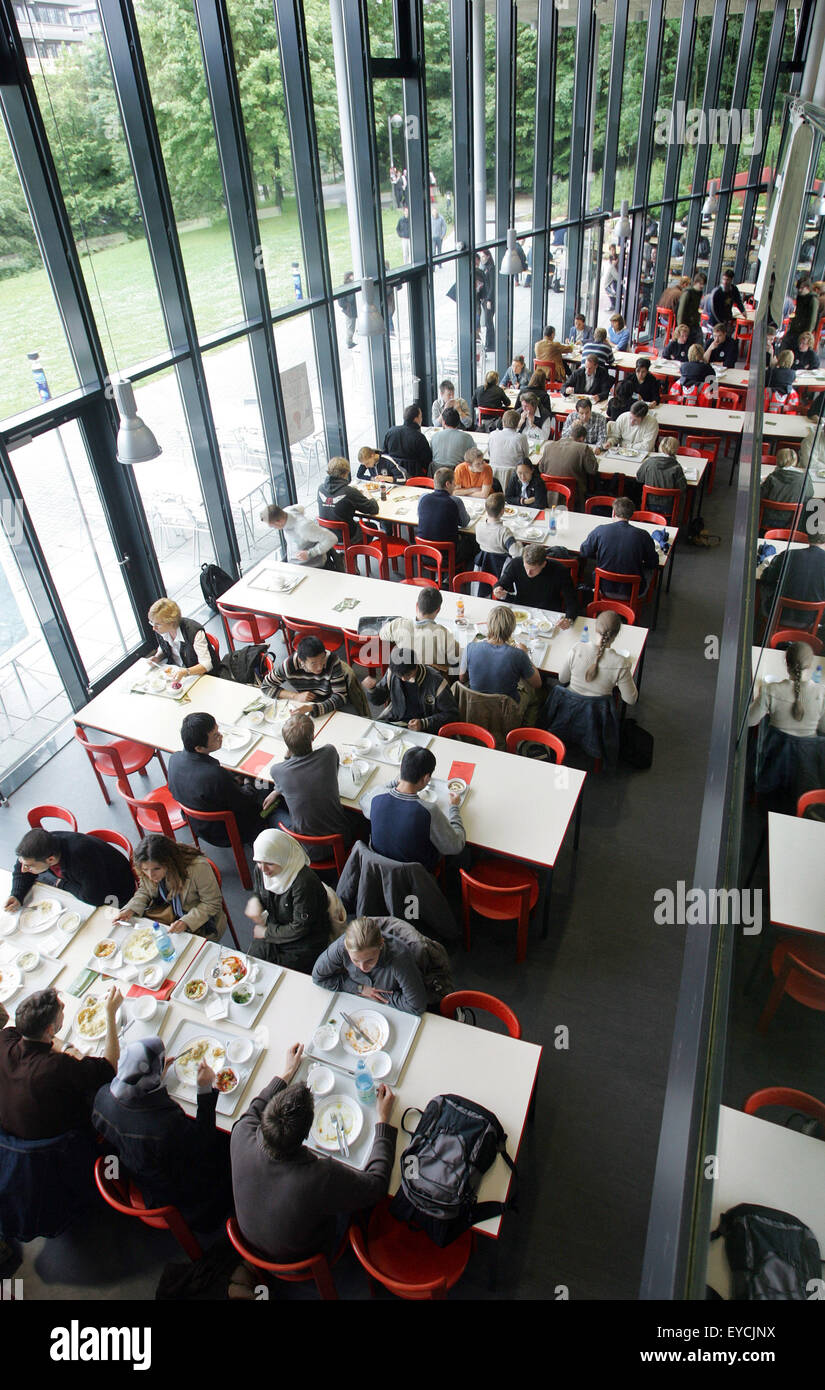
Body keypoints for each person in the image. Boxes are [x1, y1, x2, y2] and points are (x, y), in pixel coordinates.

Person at [230, 1041, 396, 1264]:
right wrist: (383, 1121)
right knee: (359, 1205)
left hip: (250, 1242)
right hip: (301, 1256)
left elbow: (256, 1106)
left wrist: (287, 1072)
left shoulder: (240, 1131)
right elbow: (376, 1186)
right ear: (307, 1132)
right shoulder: (320, 1176)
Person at [92, 1037, 231, 1231]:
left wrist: (154, 1078)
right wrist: (205, 1089)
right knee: (228, 1139)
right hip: (178, 1191)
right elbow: (203, 1142)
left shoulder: (102, 1096)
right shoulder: (164, 1124)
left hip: (137, 1169)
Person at [0, 985, 121, 1140]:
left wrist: (66, 1047)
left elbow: (37, 1036)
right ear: (50, 1029)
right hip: (60, 1140)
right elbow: (110, 1068)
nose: (63, 1007)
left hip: (16, 1129)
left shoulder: (5, 1038)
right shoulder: (56, 1066)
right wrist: (110, 1013)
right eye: (61, 1009)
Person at [168, 711, 274, 847]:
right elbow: (245, 801)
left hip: (195, 822)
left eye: (218, 731)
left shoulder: (174, 758)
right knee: (266, 785)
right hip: (224, 831)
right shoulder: (215, 775)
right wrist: (248, 782)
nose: (221, 736)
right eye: (215, 736)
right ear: (199, 748)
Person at [359, 746, 466, 870]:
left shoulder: (376, 797)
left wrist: (394, 783)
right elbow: (455, 845)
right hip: (413, 876)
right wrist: (454, 808)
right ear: (426, 778)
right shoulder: (429, 811)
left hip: (376, 869)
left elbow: (362, 800)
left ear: (401, 768)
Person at [267, 714, 351, 860]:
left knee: (273, 815)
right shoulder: (329, 753)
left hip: (308, 848)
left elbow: (283, 783)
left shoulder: (277, 770)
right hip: (341, 839)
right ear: (313, 737)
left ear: (286, 744)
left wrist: (276, 791)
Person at [245, 830, 331, 971]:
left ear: (282, 857)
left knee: (274, 972)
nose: (263, 869)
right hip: (276, 927)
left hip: (305, 940)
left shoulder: (303, 883)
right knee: (251, 963)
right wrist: (255, 901)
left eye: (269, 863)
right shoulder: (260, 869)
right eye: (259, 862)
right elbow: (259, 892)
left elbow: (300, 927)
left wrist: (267, 932)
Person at [114, 834, 226, 940]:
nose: (151, 875)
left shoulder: (198, 867)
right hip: (168, 915)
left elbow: (212, 903)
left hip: (200, 921)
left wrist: (186, 922)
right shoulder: (146, 865)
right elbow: (145, 890)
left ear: (169, 862)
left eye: (156, 869)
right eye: (145, 870)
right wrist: (130, 908)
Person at [5, 826, 136, 915]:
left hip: (117, 895)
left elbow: (95, 898)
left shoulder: (81, 857)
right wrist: (17, 894)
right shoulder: (44, 846)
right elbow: (20, 867)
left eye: (29, 866)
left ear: (50, 860)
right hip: (84, 883)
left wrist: (61, 884)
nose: (24, 869)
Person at [312, 916, 427, 1015]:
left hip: (391, 1009)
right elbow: (318, 977)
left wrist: (379, 995)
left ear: (381, 944)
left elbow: (417, 1006)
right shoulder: (341, 947)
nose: (363, 967)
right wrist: (359, 988)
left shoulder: (399, 957)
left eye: (370, 960)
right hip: (355, 1004)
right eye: (355, 960)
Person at [578, 495, 658, 601]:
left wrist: (600, 553)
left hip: (603, 586)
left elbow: (584, 551)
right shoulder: (643, 535)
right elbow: (653, 563)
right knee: (649, 571)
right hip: (632, 590)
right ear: (631, 515)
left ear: (614, 513)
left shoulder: (600, 530)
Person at [364, 646, 459, 735]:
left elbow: (452, 714)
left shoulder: (436, 682)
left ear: (416, 666)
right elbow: (379, 700)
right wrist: (372, 689)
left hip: (424, 728)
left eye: (408, 675)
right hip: (397, 721)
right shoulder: (393, 673)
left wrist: (424, 723)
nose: (404, 679)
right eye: (399, 676)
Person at [460, 604, 543, 703]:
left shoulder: (470, 648)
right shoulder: (519, 655)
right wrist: (525, 654)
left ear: (488, 625)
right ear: (512, 629)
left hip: (475, 708)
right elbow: (537, 684)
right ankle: (531, 715)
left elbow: (462, 678)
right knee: (534, 696)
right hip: (505, 712)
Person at [558, 609, 638, 704]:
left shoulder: (577, 648)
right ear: (616, 634)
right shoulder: (621, 663)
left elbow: (562, 678)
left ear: (595, 627)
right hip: (596, 715)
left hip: (569, 709)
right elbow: (631, 700)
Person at [377, 586, 461, 673]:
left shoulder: (398, 624)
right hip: (432, 679)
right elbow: (456, 661)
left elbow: (382, 634)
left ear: (417, 605)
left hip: (406, 676)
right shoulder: (444, 634)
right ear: (438, 610)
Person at [263, 635, 348, 717]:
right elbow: (266, 686)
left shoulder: (332, 660)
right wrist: (295, 696)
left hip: (328, 703)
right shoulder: (289, 666)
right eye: (313, 663)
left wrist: (312, 708)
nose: (320, 667)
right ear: (301, 661)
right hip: (304, 703)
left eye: (322, 659)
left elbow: (340, 696)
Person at [494, 543, 577, 622]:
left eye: (533, 569)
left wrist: (569, 619)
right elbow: (501, 583)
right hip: (523, 609)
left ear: (544, 564)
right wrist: (498, 589)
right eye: (526, 567)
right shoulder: (516, 563)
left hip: (549, 613)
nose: (528, 573)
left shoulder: (559, 570)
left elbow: (571, 600)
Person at [760, 531, 825, 630]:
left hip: (779, 615)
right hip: (813, 621)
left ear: (808, 537)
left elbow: (766, 578)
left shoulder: (787, 554)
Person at [148, 598, 217, 679]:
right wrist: (157, 657)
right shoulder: (162, 631)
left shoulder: (194, 632)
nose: (154, 628)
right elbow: (164, 648)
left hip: (200, 675)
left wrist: (185, 672)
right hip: (177, 673)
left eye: (157, 624)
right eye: (152, 623)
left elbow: (207, 665)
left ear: (171, 622)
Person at [317, 457, 379, 547]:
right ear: (346, 472)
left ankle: (346, 556)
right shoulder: (349, 492)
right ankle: (352, 552)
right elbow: (373, 509)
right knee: (372, 527)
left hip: (326, 536)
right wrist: (368, 495)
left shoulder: (320, 489)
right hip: (346, 537)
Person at [417, 467, 473, 564]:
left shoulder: (423, 498)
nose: (455, 485)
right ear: (447, 484)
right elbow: (464, 523)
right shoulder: (456, 501)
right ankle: (458, 575)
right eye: (454, 483)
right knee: (471, 543)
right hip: (447, 556)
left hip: (425, 552)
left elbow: (419, 515)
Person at [538, 421, 598, 507]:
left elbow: (541, 469)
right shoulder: (583, 448)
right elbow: (592, 470)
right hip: (574, 495)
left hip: (549, 493)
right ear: (582, 439)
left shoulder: (549, 446)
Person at [260, 503, 337, 569]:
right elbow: (300, 507)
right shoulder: (287, 511)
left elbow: (332, 539)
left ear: (279, 521)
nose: (274, 529)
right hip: (294, 563)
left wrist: (310, 553)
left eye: (272, 526)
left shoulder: (303, 527)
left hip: (312, 567)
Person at [760, 448, 814, 533]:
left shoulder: (772, 478)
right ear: (795, 461)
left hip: (767, 520)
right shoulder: (804, 479)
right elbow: (810, 495)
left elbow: (760, 495)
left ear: (777, 461)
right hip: (792, 522)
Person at [634, 436, 687, 507]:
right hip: (668, 505)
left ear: (660, 447)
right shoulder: (677, 467)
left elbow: (639, 478)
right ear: (676, 450)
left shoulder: (649, 462)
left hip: (648, 503)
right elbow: (682, 487)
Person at [384, 404, 434, 475]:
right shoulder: (419, 437)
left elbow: (385, 454)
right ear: (416, 419)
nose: (421, 419)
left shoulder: (390, 432)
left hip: (393, 473)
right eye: (421, 417)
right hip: (414, 475)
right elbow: (427, 460)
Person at [474, 491, 520, 565]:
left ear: (486, 509)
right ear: (502, 511)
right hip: (502, 567)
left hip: (484, 564)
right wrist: (520, 545)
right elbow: (517, 554)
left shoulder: (478, 526)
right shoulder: (505, 532)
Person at [676, 273, 707, 343]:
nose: (702, 286)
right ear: (695, 282)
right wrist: (681, 328)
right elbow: (681, 312)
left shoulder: (698, 293)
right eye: (701, 284)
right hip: (687, 324)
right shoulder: (687, 293)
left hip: (694, 323)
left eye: (703, 284)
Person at [338, 272, 357, 348]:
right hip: (350, 311)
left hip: (352, 310)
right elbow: (342, 302)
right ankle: (349, 342)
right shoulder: (347, 287)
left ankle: (350, 342)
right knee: (350, 327)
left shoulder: (348, 286)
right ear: (349, 277)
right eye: (352, 275)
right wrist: (348, 306)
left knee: (351, 327)